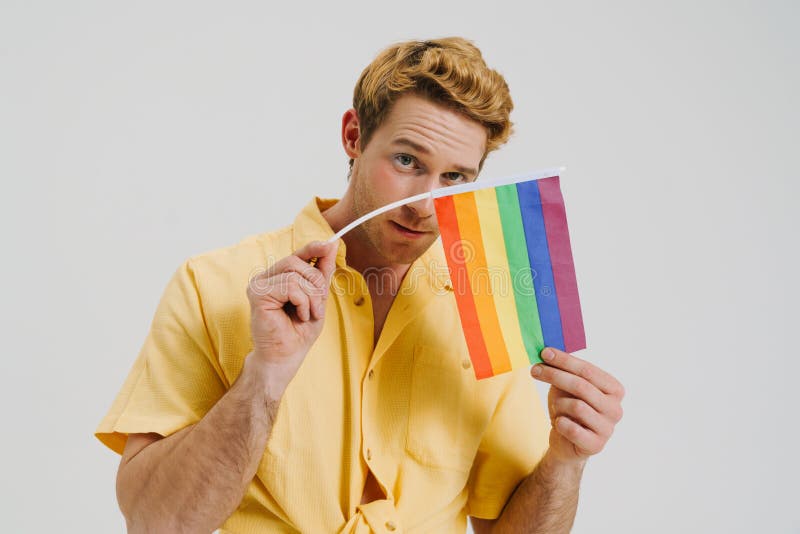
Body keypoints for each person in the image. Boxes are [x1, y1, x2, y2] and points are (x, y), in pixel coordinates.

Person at [96, 37, 625, 533]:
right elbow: (154, 522)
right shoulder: (214, 284)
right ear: (354, 136)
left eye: (454, 178)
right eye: (406, 160)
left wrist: (566, 458)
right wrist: (265, 377)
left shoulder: (486, 296)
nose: (423, 203)